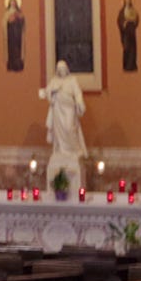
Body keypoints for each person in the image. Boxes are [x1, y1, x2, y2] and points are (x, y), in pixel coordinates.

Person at [40, 64, 88, 194]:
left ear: (67, 69)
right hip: (58, 110)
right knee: (59, 133)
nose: (61, 71)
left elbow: (77, 93)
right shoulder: (54, 81)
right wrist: (48, 93)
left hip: (69, 109)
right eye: (59, 70)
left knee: (69, 129)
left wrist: (80, 103)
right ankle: (61, 150)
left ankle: (73, 150)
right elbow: (47, 93)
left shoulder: (72, 81)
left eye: (63, 69)